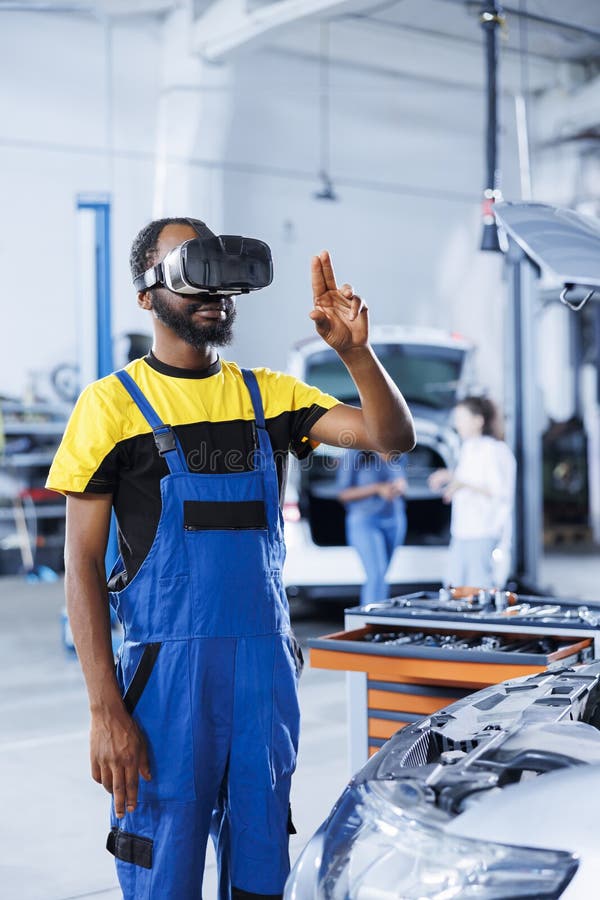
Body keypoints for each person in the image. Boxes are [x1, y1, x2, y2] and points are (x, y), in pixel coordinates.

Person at [46, 216, 415, 900]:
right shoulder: (109, 407)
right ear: (147, 295)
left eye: (219, 272)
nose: (214, 291)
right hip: (166, 684)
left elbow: (391, 438)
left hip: (262, 677)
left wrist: (357, 354)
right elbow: (82, 568)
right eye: (192, 272)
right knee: (166, 867)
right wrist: (105, 711)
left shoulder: (267, 396)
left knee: (261, 865)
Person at [428, 395, 516, 589]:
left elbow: (498, 492)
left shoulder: (495, 450)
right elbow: (467, 481)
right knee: (453, 587)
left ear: (478, 420)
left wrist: (459, 482)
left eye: (461, 418)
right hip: (462, 531)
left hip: (484, 530)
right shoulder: (467, 448)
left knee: (479, 590)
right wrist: (452, 482)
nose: (457, 424)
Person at [336, 449, 407, 606]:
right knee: (376, 575)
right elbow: (342, 493)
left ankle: (380, 621)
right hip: (365, 521)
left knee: (382, 576)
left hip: (394, 520)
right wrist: (376, 488)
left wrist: (400, 486)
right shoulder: (355, 454)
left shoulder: (399, 452)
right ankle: (370, 622)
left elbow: (402, 480)